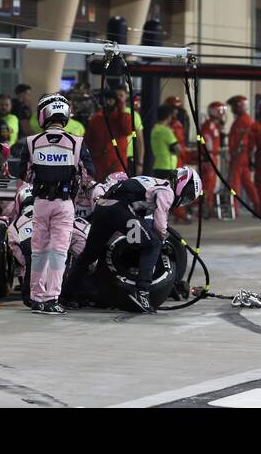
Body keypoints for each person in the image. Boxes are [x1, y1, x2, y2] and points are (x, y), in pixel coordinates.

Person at [65, 166, 201, 313]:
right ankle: (142, 292)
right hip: (118, 209)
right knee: (153, 244)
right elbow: (160, 223)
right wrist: (163, 240)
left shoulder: (154, 182)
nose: (185, 200)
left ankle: (67, 294)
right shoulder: (166, 190)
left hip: (102, 209)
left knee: (88, 256)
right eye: (187, 195)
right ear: (182, 182)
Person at [20, 93, 87, 314]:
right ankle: (51, 299)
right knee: (58, 252)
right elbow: (87, 176)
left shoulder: (31, 142)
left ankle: (37, 298)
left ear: (44, 114)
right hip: (64, 203)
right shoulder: (77, 143)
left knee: (38, 251)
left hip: (40, 202)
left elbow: (24, 174)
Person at [84, 89, 135, 180]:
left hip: (117, 164)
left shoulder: (122, 117)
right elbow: (88, 141)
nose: (107, 103)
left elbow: (128, 130)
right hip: (99, 164)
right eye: (105, 100)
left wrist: (122, 110)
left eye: (110, 100)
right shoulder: (96, 119)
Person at [226, 94, 260, 209]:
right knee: (247, 183)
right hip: (241, 156)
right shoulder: (242, 120)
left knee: (235, 184)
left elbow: (243, 141)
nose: (232, 109)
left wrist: (237, 153)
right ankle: (258, 206)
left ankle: (234, 208)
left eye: (234, 106)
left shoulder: (244, 121)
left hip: (239, 156)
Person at [198, 100, 226, 212]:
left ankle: (207, 207)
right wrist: (210, 153)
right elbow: (208, 142)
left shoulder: (212, 125)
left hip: (211, 157)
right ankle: (203, 207)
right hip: (209, 158)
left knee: (211, 184)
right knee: (207, 185)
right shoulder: (209, 126)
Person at [149, 103, 180, 181]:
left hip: (157, 166)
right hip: (168, 167)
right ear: (169, 116)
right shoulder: (166, 131)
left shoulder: (154, 129)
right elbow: (178, 149)